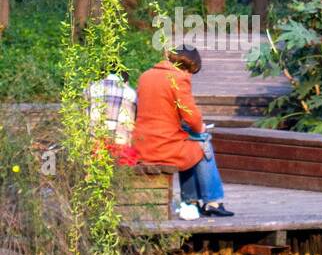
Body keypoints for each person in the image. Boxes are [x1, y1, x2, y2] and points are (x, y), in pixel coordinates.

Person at [134, 47, 234, 217]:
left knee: (188, 143)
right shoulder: (178, 78)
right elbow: (191, 116)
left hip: (142, 145)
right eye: (191, 72)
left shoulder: (146, 76)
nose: (190, 76)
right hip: (162, 147)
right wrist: (200, 128)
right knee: (202, 142)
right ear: (186, 67)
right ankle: (213, 201)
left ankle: (191, 201)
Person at [84, 69, 138, 149]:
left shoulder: (90, 89)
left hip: (96, 141)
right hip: (121, 143)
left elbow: (85, 115)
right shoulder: (131, 93)